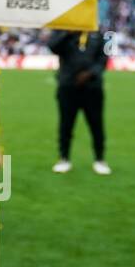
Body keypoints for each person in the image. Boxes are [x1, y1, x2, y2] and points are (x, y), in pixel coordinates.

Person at [48, 30, 110, 175]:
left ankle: (100, 159)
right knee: (65, 125)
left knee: (96, 125)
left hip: (93, 88)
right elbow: (52, 47)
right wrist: (67, 33)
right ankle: (64, 158)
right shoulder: (63, 30)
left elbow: (104, 58)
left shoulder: (101, 34)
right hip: (67, 86)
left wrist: (90, 73)